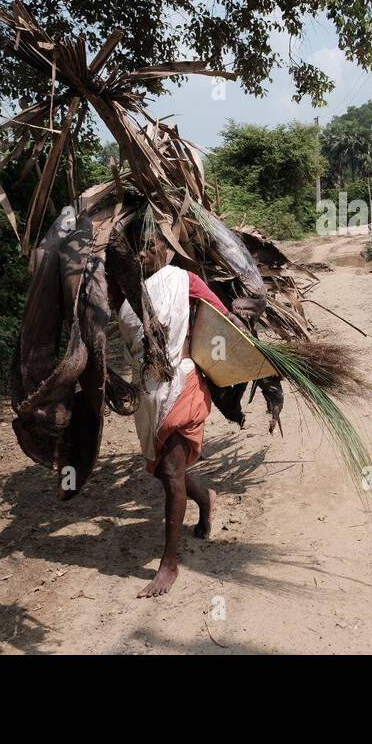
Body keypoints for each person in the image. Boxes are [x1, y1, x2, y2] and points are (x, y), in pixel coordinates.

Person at [117, 244, 231, 598]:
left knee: (169, 474)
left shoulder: (185, 281)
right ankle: (207, 500)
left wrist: (195, 347)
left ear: (167, 248)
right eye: (136, 246)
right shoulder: (128, 293)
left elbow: (222, 317)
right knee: (170, 470)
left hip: (182, 385)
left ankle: (169, 564)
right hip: (148, 394)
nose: (141, 253)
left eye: (149, 246)